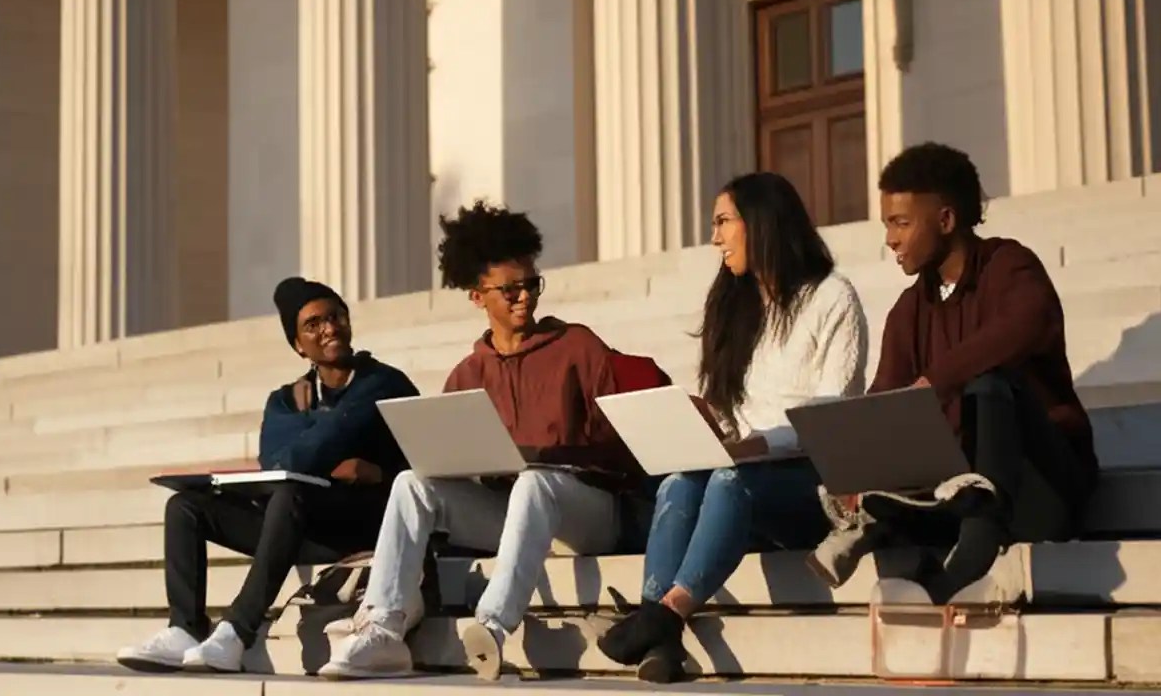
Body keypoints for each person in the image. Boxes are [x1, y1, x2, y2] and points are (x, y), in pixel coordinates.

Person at [318, 201, 644, 681]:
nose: (524, 299)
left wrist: (543, 457)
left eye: (531, 285)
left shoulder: (577, 346)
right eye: (509, 290)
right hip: (508, 512)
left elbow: (623, 443)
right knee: (412, 483)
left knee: (535, 484)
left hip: (589, 511)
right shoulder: (467, 375)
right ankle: (384, 628)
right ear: (477, 297)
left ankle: (490, 626)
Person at [596, 172, 867, 683]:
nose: (715, 238)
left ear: (761, 222)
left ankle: (663, 613)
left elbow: (836, 414)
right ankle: (663, 641)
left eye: (723, 222)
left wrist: (760, 443)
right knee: (679, 480)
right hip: (742, 468)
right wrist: (707, 425)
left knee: (728, 479)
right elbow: (732, 414)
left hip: (809, 481)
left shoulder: (833, 297)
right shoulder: (734, 305)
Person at [813, 142, 1098, 604]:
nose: (890, 239)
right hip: (956, 496)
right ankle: (872, 526)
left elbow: (1021, 326)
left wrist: (933, 383)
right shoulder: (908, 310)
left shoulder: (1010, 266)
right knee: (888, 451)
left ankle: (974, 546)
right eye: (888, 224)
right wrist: (855, 468)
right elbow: (885, 396)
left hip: (1041, 489)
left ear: (945, 220)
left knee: (990, 380)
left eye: (901, 223)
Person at [116, 278, 419, 673]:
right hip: (298, 524)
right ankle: (185, 628)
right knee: (185, 506)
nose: (329, 328)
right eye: (313, 324)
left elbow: (358, 438)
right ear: (298, 345)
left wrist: (371, 468)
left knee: (292, 495)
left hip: (364, 524)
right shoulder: (284, 399)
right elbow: (279, 462)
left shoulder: (383, 382)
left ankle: (237, 632)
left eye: (335, 316)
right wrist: (321, 438)